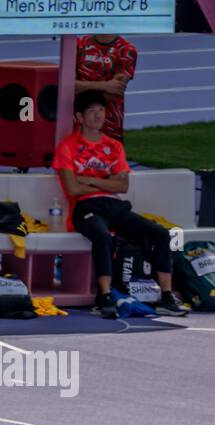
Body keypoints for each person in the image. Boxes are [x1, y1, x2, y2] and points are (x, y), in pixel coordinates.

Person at [53, 91, 188, 319]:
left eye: (102, 111)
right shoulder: (68, 146)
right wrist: (107, 183)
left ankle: (166, 295)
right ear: (79, 117)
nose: (98, 116)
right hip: (86, 208)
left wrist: (90, 179)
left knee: (162, 234)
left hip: (116, 207)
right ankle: (104, 296)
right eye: (92, 111)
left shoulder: (113, 146)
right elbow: (73, 189)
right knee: (103, 237)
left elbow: (122, 186)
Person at [74, 34, 136, 142]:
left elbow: (115, 92)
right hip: (78, 124)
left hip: (110, 127)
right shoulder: (79, 44)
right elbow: (68, 86)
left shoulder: (127, 50)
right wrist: (105, 86)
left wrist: (81, 88)